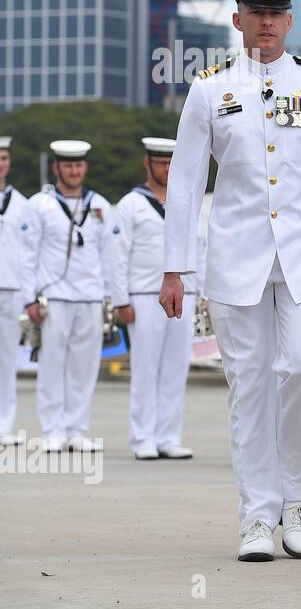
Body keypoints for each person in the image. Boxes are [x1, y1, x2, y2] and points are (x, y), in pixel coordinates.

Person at [162, 0, 301, 562]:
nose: (266, 22)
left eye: (276, 14)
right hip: (236, 258)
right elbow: (183, 183)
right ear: (237, 20)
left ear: (290, 22)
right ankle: (257, 514)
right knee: (248, 386)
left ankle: (297, 499)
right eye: (255, 12)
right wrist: (175, 266)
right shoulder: (209, 90)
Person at [110, 138, 202, 460]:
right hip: (143, 296)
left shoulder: (186, 201)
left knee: (176, 368)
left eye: (170, 162)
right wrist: (120, 300)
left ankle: (167, 436)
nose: (166, 169)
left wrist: (200, 291)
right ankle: (142, 438)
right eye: (160, 163)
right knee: (145, 369)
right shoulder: (130, 205)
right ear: (147, 164)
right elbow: (117, 256)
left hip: (184, 295)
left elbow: (198, 248)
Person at [23, 140, 115, 453]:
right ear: (57, 168)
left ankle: (77, 429)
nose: (74, 171)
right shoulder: (39, 204)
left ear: (84, 168)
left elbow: (109, 257)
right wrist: (31, 298)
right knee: (51, 365)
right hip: (54, 298)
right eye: (68, 166)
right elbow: (28, 255)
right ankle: (52, 430)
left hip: (90, 297)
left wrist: (110, 298)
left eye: (78, 165)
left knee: (85, 367)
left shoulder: (101, 205)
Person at [0, 136, 30, 446]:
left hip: (10, 289)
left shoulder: (23, 204)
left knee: (7, 360)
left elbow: (28, 252)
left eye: (4, 158)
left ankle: (4, 425)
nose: (1, 164)